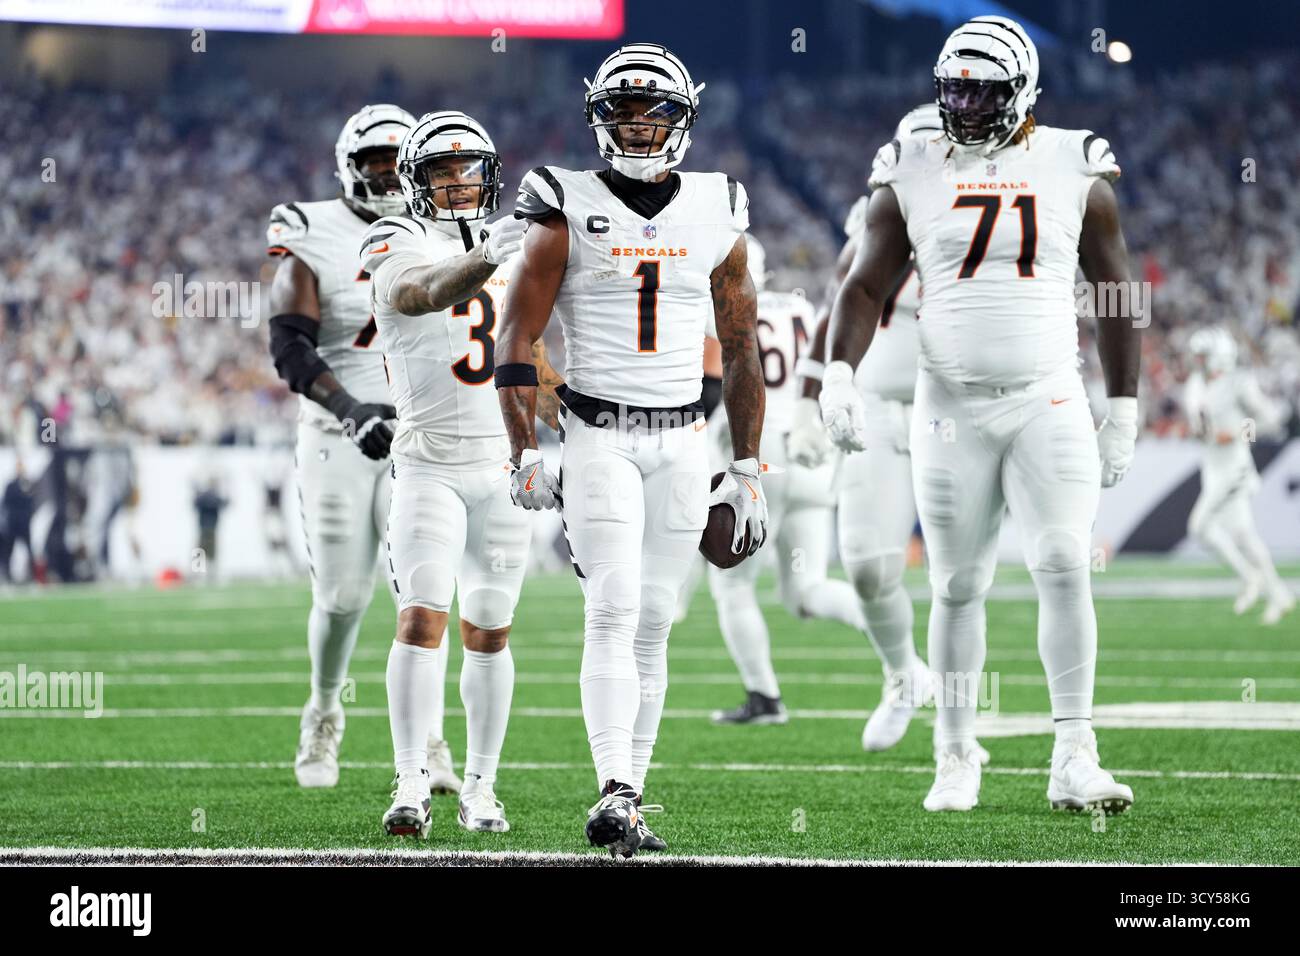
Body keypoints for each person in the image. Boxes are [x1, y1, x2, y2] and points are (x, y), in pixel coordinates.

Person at [821, 16, 1139, 815]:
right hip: (949, 406)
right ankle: (956, 753)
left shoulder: (1074, 161)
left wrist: (1124, 404)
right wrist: (836, 374)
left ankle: (1075, 752)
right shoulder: (914, 164)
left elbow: (1116, 290)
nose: (964, 104)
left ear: (1024, 89)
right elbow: (864, 285)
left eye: (983, 89)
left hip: (1049, 395)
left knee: (1065, 563)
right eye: (953, 86)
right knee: (959, 585)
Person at [495, 43, 767, 857]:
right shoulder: (562, 202)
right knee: (611, 606)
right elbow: (517, 333)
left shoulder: (719, 205)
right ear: (596, 116)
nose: (639, 126)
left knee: (654, 621)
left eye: (654, 113)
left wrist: (748, 465)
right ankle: (612, 786)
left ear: (684, 120)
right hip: (599, 436)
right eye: (623, 111)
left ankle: (630, 797)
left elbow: (743, 346)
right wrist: (523, 449)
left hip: (685, 439)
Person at [362, 110, 558, 838]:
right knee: (421, 615)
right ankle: (411, 778)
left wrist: (594, 423)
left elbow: (528, 354)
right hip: (427, 466)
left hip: (499, 465)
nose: (456, 183)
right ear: (414, 183)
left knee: (491, 631)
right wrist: (486, 261)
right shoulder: (396, 237)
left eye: (467, 169)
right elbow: (419, 293)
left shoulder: (511, 245)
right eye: (440, 172)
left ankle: (481, 786)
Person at [266, 104, 459, 793]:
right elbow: (288, 343)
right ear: (349, 167)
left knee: (428, 591)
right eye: (372, 160)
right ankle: (323, 710)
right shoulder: (311, 228)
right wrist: (350, 411)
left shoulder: (441, 227)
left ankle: (431, 741)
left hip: (421, 431)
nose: (383, 172)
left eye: (393, 158)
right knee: (345, 596)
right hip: (338, 431)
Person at [708, 235, 866, 726]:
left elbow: (715, 389)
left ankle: (764, 697)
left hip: (762, 451)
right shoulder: (803, 310)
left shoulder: (719, 307)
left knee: (733, 587)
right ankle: (893, 641)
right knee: (806, 590)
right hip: (810, 447)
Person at [1185, 327, 1294, 625]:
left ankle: (1249, 577)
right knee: (1244, 535)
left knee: (1199, 526)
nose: (1197, 361)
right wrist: (1203, 433)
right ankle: (1279, 595)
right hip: (1212, 467)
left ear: (1217, 355)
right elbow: (1199, 428)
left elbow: (1270, 420)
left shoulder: (1238, 382)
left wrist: (1235, 433)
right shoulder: (1196, 384)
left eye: (1202, 356)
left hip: (1234, 466)